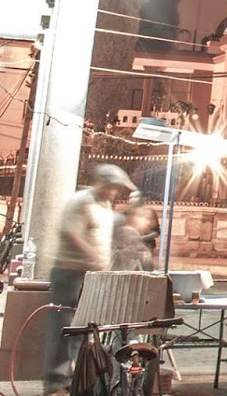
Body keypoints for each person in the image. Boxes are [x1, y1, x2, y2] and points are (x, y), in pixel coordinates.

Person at [43, 164, 135, 394]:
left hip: (89, 276)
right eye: (113, 187)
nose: (114, 192)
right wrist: (93, 255)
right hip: (69, 273)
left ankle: (72, 379)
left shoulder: (104, 205)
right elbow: (70, 232)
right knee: (65, 328)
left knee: (83, 330)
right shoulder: (81, 201)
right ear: (102, 182)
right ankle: (55, 384)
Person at [110, 196, 155, 271]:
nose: (148, 222)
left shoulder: (132, 232)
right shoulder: (127, 231)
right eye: (144, 217)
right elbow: (120, 252)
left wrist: (145, 253)